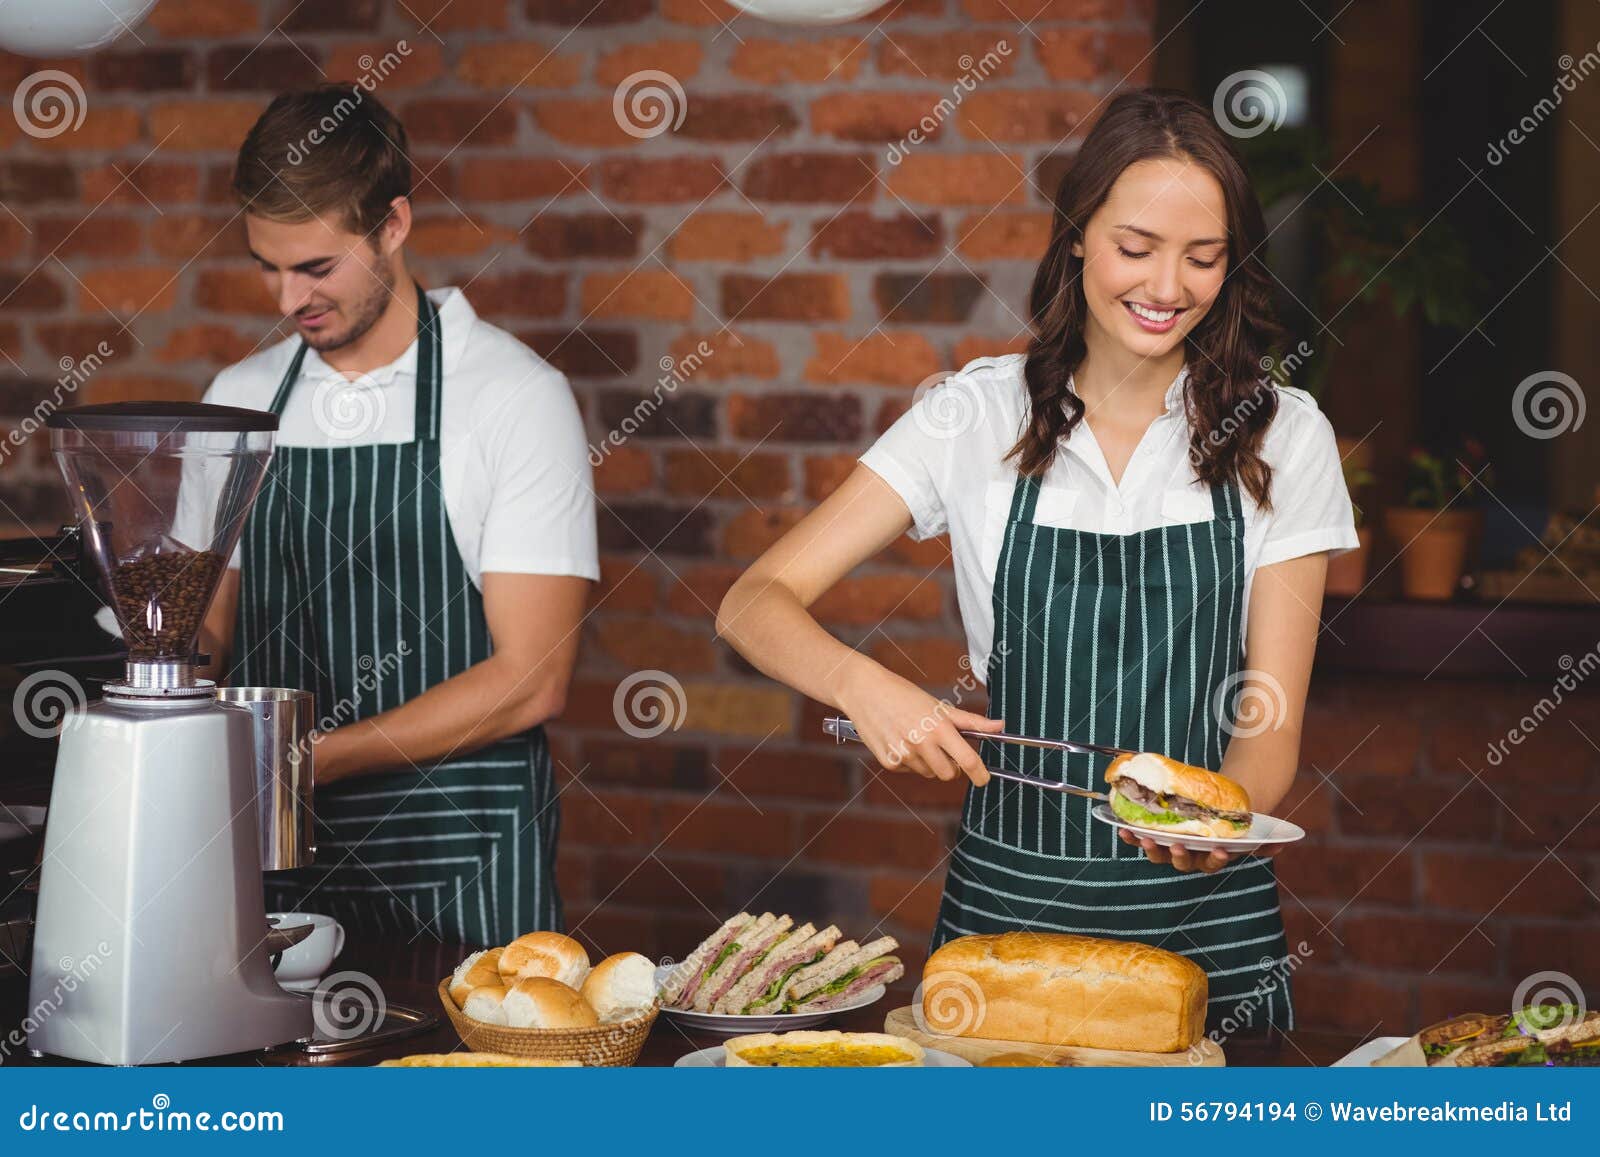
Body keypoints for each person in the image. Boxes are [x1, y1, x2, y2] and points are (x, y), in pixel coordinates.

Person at [717, 88, 1358, 1029]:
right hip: (1005, 926)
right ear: (1077, 238)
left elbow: (1267, 728)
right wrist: (865, 687)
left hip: (1207, 930)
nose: (1168, 285)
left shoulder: (1284, 437)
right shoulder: (972, 416)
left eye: (1204, 256)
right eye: (1136, 248)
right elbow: (752, 601)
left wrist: (1206, 827)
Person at [199, 85, 597, 946]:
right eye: (267, 266)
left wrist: (306, 763)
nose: (285, 300)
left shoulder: (514, 399)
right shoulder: (237, 402)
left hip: (462, 870)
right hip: (275, 873)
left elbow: (534, 676)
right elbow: (207, 629)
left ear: (394, 226)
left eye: (315, 268)